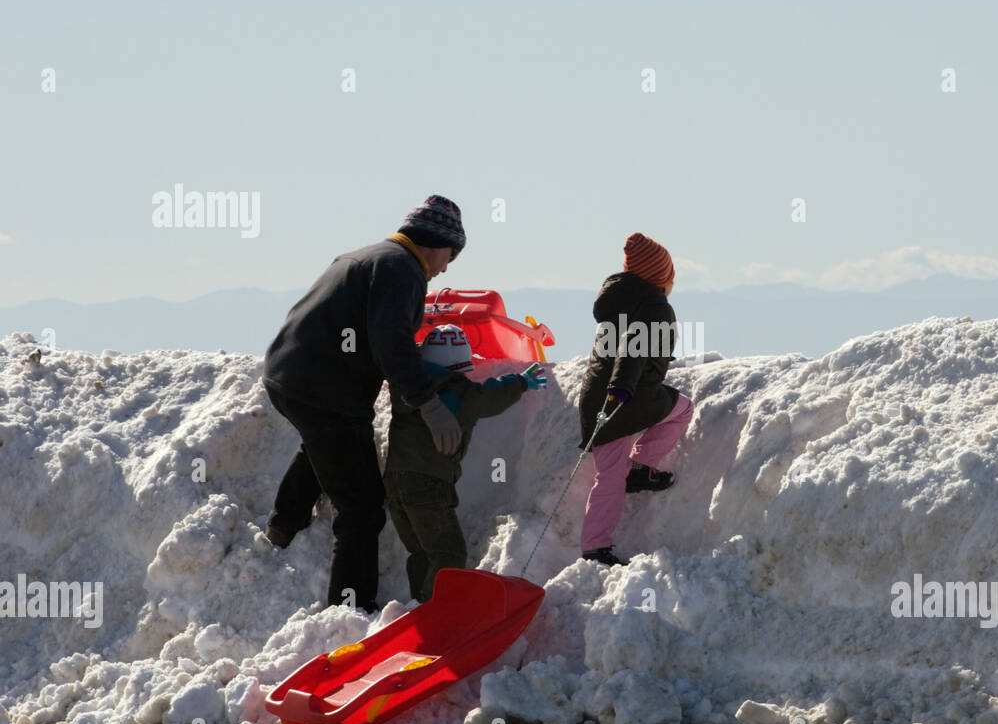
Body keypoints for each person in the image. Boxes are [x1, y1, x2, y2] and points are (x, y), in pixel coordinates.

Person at [261, 195, 466, 612]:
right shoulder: (403, 268)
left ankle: (283, 528)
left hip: (289, 375)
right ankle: (350, 609)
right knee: (362, 506)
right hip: (324, 390)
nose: (445, 267)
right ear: (434, 243)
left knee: (322, 446)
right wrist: (428, 403)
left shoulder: (366, 256)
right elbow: (391, 343)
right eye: (449, 256)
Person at [384, 324, 548, 602]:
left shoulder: (408, 388)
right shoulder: (461, 393)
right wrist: (521, 382)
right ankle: (440, 608)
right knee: (449, 552)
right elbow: (490, 396)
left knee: (422, 551)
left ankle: (421, 604)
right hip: (429, 483)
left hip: (395, 480)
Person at [577, 232, 693, 566]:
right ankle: (595, 549)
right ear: (660, 277)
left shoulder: (621, 304)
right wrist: (620, 388)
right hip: (623, 398)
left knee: (681, 408)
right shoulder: (655, 306)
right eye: (670, 276)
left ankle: (638, 470)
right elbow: (631, 348)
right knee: (610, 475)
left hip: (619, 397)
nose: (672, 283)